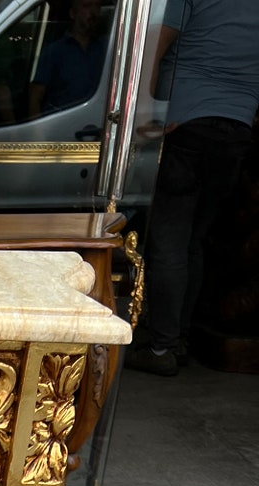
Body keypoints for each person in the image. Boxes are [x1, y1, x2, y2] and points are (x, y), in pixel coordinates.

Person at [127, 0, 259, 376]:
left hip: (185, 123)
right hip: (235, 131)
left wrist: (146, 108)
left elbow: (158, 41)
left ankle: (160, 349)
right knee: (193, 241)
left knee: (169, 240)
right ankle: (178, 339)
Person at [28, 0, 108, 118]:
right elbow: (35, 96)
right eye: (86, 6)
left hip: (97, 123)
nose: (93, 11)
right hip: (63, 123)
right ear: (72, 14)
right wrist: (38, 132)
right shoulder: (55, 51)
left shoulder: (106, 48)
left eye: (97, 6)